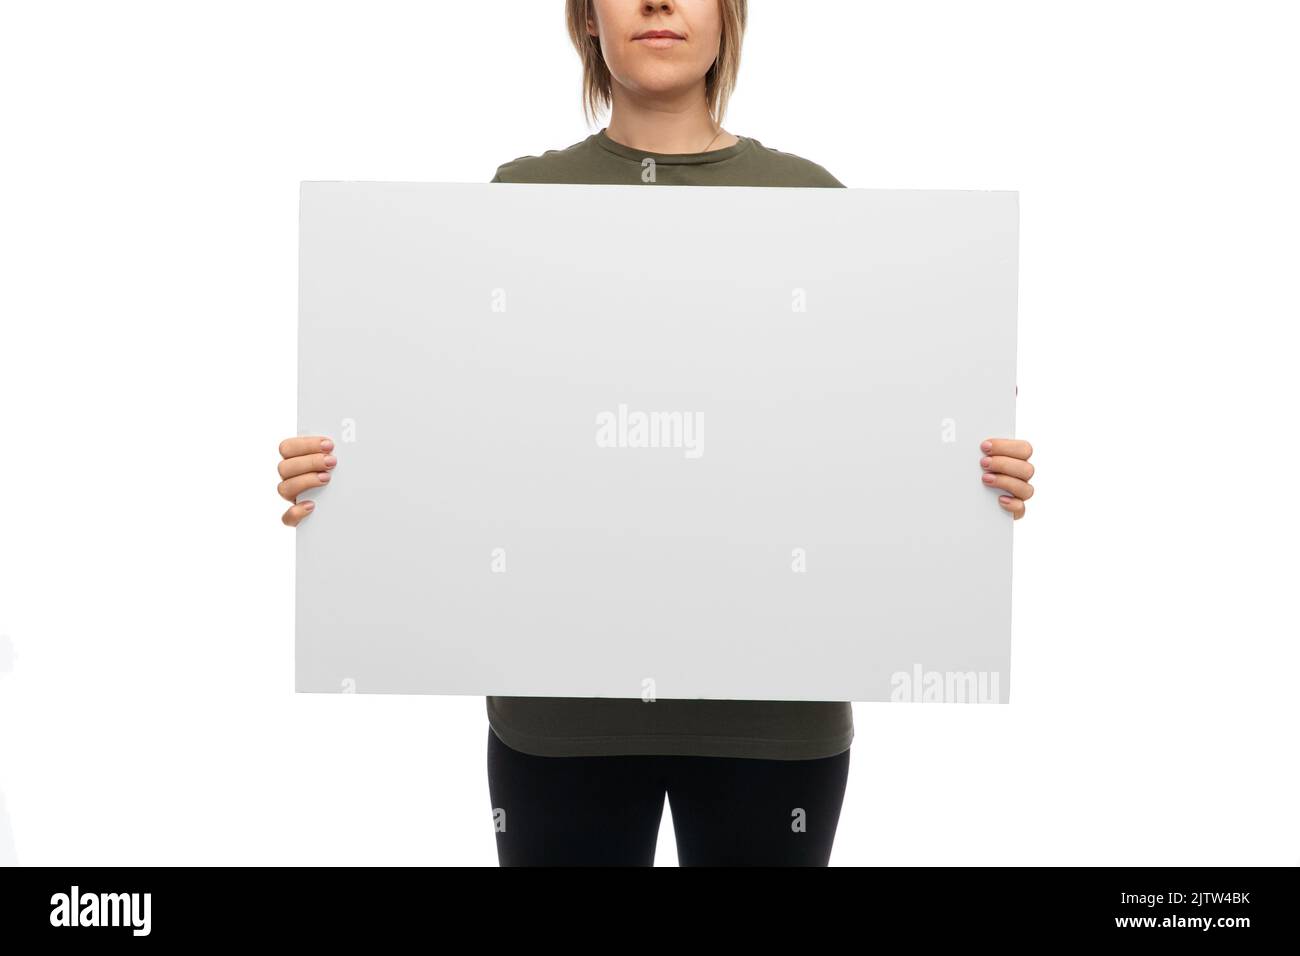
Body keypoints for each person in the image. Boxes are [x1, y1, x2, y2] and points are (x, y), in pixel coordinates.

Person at [276, 0, 1037, 866]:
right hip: (560, 722)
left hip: (775, 722)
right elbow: (458, 433)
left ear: (728, 15)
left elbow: (872, 441)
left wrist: (977, 475)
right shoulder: (519, 200)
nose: (659, 1)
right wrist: (341, 476)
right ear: (586, 18)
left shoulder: (812, 200)